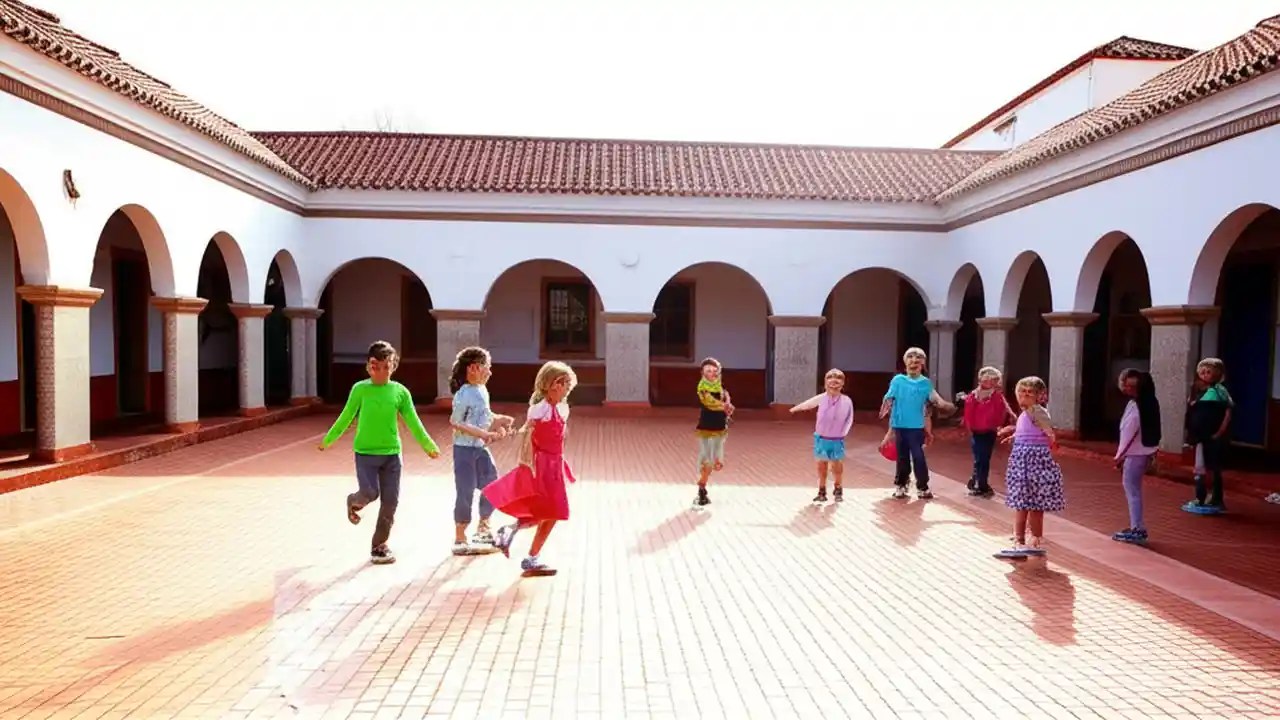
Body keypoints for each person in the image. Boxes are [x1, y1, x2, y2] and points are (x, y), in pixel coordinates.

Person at [319, 340, 440, 565]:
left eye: (387, 366)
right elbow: (346, 417)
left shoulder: (400, 392)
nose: (382, 372)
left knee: (390, 501)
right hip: (365, 453)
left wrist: (428, 446)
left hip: (392, 455)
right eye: (376, 366)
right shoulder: (360, 390)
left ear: (393, 366)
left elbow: (413, 422)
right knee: (369, 492)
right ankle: (353, 500)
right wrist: (328, 440)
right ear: (368, 366)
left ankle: (379, 545)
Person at [485, 361, 579, 577]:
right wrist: (529, 466)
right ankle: (529, 554)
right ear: (553, 384)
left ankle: (515, 537)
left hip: (554, 465)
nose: (567, 389)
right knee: (548, 511)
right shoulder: (539, 410)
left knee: (551, 512)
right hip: (541, 466)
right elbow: (527, 437)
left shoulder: (563, 409)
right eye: (565, 384)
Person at [447, 346, 515, 555]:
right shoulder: (463, 394)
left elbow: (483, 415)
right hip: (464, 451)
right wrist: (483, 434)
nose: (490, 372)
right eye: (488, 367)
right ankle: (460, 535)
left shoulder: (482, 391)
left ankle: (484, 525)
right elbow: (456, 421)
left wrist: (499, 419)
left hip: (480, 449)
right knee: (465, 490)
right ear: (475, 368)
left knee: (492, 484)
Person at [995, 376, 1065, 559]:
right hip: (1023, 460)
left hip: (1033, 461)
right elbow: (1030, 431)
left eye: (1029, 392)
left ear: (1038, 396)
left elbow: (1047, 428)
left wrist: (1051, 438)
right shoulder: (1026, 413)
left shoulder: (1036, 411)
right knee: (1026, 503)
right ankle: (1025, 538)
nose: (1025, 396)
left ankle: (1028, 539)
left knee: (1029, 503)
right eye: (1022, 392)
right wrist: (1014, 436)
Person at [879, 347, 953, 499]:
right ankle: (901, 484)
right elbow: (889, 402)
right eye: (910, 357)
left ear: (923, 364)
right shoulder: (898, 381)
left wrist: (946, 406)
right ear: (905, 362)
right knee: (902, 458)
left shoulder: (925, 383)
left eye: (918, 358)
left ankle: (922, 486)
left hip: (916, 428)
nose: (914, 360)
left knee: (918, 456)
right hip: (900, 426)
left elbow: (932, 403)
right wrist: (889, 432)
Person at [790, 369, 854, 502]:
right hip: (821, 438)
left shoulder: (847, 401)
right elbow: (809, 403)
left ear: (843, 384)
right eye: (830, 378)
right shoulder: (822, 398)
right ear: (825, 384)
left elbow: (849, 418)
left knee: (837, 466)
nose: (834, 382)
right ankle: (822, 490)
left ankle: (838, 488)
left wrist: (843, 433)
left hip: (837, 439)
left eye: (838, 379)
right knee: (821, 466)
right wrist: (795, 408)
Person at [1112, 369, 1161, 544]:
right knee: (1134, 489)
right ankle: (1136, 525)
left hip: (1134, 453)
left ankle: (1138, 528)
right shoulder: (1148, 403)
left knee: (1132, 490)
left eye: (1129, 385)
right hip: (1142, 452)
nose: (1126, 389)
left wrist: (1119, 455)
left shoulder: (1137, 406)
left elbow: (1128, 431)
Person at [1184, 358, 1232, 514]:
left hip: (1210, 438)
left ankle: (1212, 498)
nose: (1205, 375)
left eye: (1209, 372)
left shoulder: (1218, 392)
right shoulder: (1201, 391)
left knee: (1210, 468)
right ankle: (1202, 497)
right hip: (1202, 437)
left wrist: (1218, 432)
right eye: (1202, 372)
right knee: (1203, 467)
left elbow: (1226, 413)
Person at [961, 366, 1015, 498]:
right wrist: (969, 428)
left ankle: (976, 480)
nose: (991, 383)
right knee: (981, 457)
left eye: (994, 380)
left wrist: (1007, 422)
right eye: (989, 379)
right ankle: (981, 484)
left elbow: (1005, 410)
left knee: (983, 457)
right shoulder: (973, 396)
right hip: (977, 431)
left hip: (990, 430)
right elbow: (968, 415)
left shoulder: (997, 396)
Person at [694, 357, 734, 507]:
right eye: (708, 371)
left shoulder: (722, 389)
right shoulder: (702, 388)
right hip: (705, 428)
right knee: (708, 460)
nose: (711, 373)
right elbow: (710, 403)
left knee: (717, 462)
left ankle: (702, 482)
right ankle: (702, 489)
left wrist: (729, 406)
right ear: (702, 373)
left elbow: (727, 402)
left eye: (714, 371)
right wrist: (725, 406)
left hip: (720, 429)